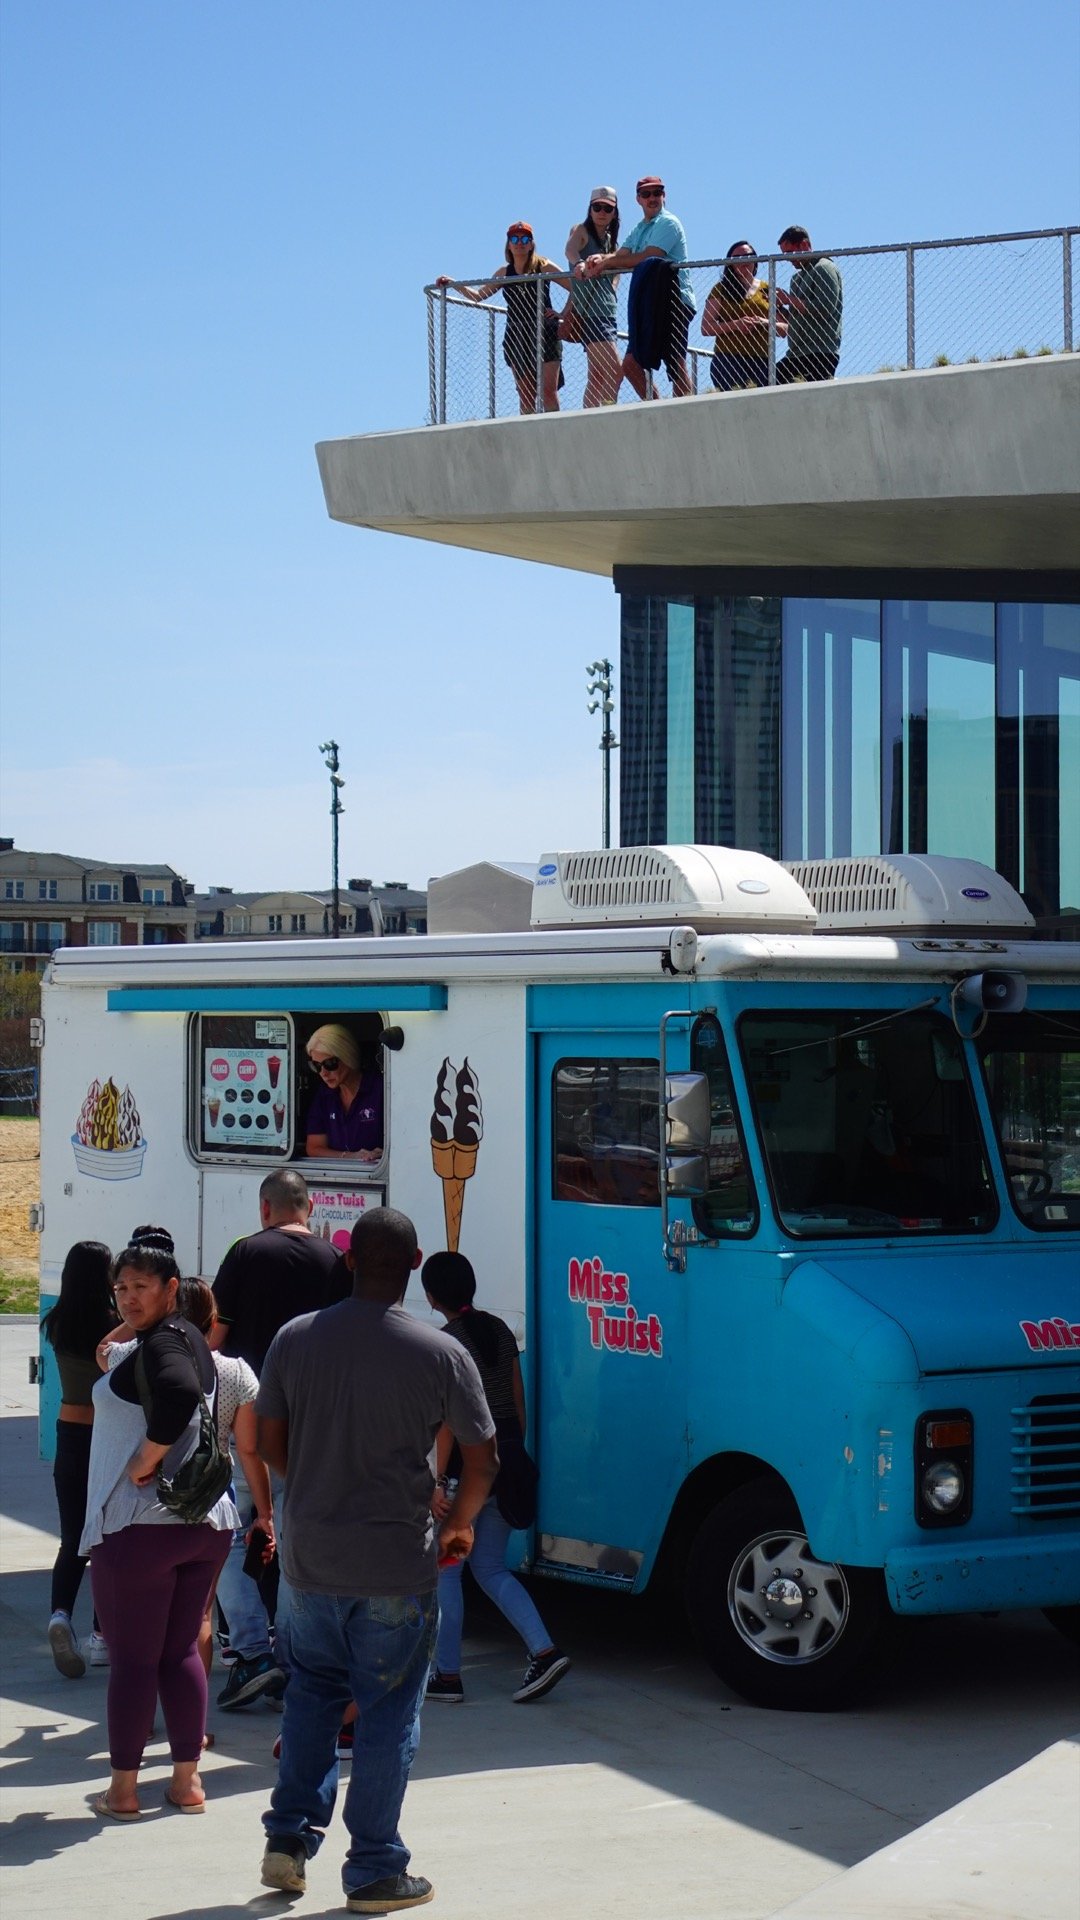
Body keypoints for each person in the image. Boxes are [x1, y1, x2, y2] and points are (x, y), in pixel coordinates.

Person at [256, 1207, 498, 1911]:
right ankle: (373, 1870)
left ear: (349, 1257)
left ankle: (288, 1839)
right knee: (388, 1712)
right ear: (416, 1263)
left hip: (310, 1557)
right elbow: (483, 1459)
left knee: (311, 1694)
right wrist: (459, 1525)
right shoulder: (440, 1352)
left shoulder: (295, 1338)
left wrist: (311, 1484)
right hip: (395, 1560)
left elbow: (268, 1442)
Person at [80, 1228, 238, 1819]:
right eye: (120, 1287)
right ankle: (186, 1783)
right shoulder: (188, 1337)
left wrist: (147, 1457)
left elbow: (176, 1391)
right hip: (204, 1524)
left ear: (172, 1288)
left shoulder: (164, 1344)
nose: (128, 1297)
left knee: (134, 1662)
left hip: (141, 1526)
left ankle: (123, 1792)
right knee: (178, 1654)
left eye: (141, 1286)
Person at [422, 1252, 570, 1706]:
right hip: (505, 1463)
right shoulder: (501, 1331)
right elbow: (518, 1404)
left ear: (431, 1296)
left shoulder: (446, 1342)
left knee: (448, 1571)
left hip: (466, 1473)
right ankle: (544, 1651)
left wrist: (438, 1481)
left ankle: (448, 1676)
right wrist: (510, 1460)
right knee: (489, 1567)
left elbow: (449, 1421)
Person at [41, 1240, 117, 1678]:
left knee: (72, 1538)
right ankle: (101, 1634)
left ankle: (59, 1615)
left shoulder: (57, 1322)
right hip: (104, 1437)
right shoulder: (111, 1325)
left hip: (68, 1433)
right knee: (107, 1537)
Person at [210, 1168, 346, 1375]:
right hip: (310, 1386)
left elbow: (215, 1335)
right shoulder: (336, 1259)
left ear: (265, 1208)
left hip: (253, 1387)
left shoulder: (244, 1251)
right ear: (310, 1207)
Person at [436, 224, 570, 415]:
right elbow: (479, 295)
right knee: (526, 395)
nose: (519, 243)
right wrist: (454, 284)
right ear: (508, 245)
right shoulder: (504, 273)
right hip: (517, 335)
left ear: (531, 244)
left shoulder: (543, 265)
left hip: (546, 333)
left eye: (525, 239)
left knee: (548, 392)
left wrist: (563, 313)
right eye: (514, 239)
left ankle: (554, 429)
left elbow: (574, 286)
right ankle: (527, 430)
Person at [580, 176, 696, 398]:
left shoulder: (669, 223)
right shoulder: (640, 228)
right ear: (638, 199)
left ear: (664, 196)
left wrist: (605, 262)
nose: (652, 198)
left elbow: (648, 257)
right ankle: (659, 409)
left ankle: (686, 411)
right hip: (648, 302)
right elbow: (621, 255)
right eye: (646, 194)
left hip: (674, 300)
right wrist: (599, 258)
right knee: (631, 365)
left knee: (675, 361)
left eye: (656, 193)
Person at [563, 187, 622, 407]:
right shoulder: (581, 230)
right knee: (615, 370)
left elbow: (616, 272)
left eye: (607, 208)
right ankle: (606, 417)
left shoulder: (610, 241)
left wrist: (612, 288)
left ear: (614, 213)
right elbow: (570, 250)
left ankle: (589, 418)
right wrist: (579, 263)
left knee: (597, 376)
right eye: (597, 207)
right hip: (591, 314)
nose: (602, 212)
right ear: (590, 209)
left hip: (606, 312)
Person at [701, 241, 786, 391]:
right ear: (730, 264)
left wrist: (764, 322)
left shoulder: (767, 289)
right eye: (736, 257)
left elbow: (784, 329)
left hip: (761, 361)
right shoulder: (721, 289)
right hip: (728, 360)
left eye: (747, 256)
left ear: (755, 259)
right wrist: (736, 325)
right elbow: (706, 328)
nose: (742, 260)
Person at [305, 1024, 384, 1162]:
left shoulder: (381, 1089)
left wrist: (384, 1153)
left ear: (348, 1056)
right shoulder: (324, 1095)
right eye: (316, 1066)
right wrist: (349, 1156)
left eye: (330, 1064)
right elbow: (314, 1147)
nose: (323, 1073)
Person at [774, 225, 843, 383]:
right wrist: (778, 308)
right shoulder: (797, 279)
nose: (788, 259)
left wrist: (788, 299)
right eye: (785, 255)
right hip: (797, 353)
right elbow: (796, 318)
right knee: (768, 381)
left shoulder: (824, 268)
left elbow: (825, 308)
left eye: (790, 253)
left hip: (820, 352)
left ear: (804, 245)